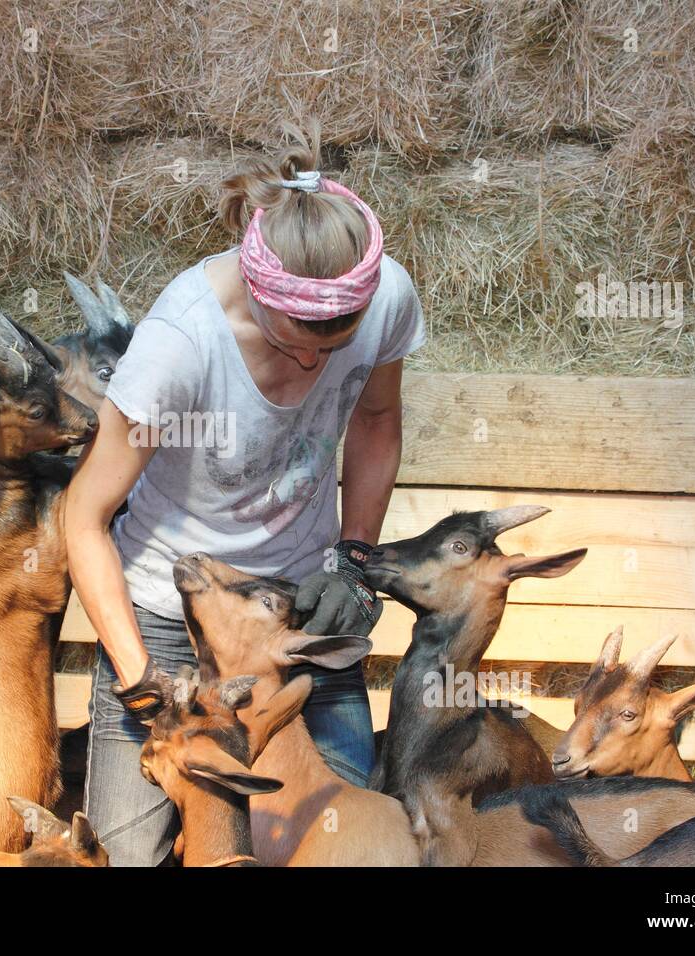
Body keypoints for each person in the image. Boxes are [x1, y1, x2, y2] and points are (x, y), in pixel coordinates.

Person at [64, 132, 425, 866]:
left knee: (334, 846)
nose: (313, 361)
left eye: (336, 343)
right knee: (128, 857)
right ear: (259, 290)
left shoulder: (385, 297)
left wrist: (354, 560)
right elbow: (83, 517)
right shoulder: (181, 343)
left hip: (296, 616)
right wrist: (142, 686)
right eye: (295, 339)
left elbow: (378, 420)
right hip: (167, 623)